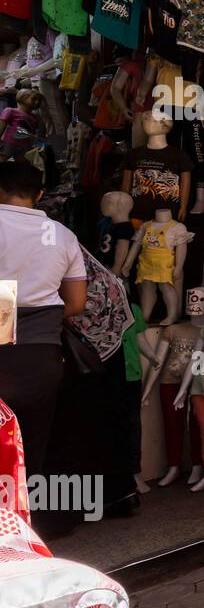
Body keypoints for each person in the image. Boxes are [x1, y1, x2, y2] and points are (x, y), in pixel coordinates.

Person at [0, 161, 86, 476]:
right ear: (39, 194)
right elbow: (76, 303)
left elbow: (5, 304)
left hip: (2, 349)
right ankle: (23, 521)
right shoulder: (63, 235)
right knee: (31, 450)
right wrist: (41, 311)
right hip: (42, 356)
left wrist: (7, 308)